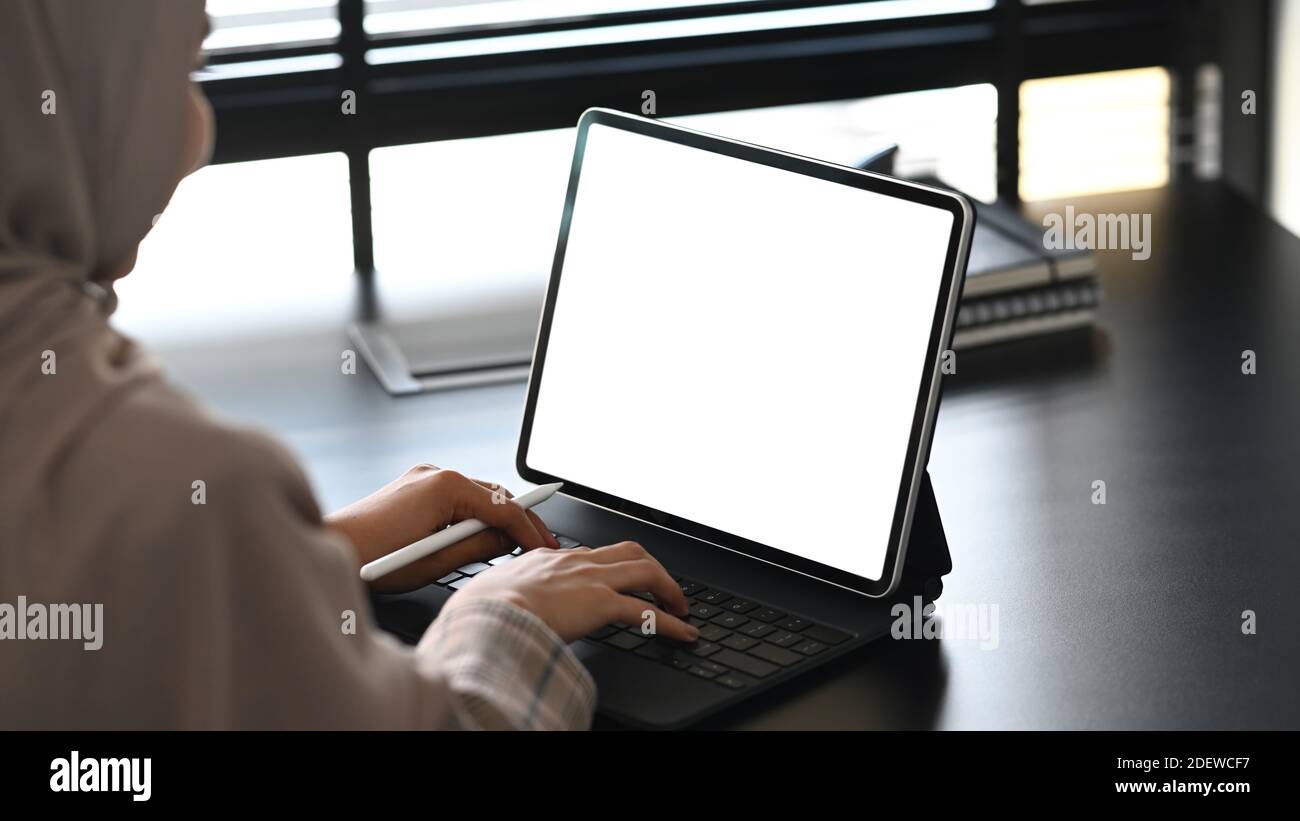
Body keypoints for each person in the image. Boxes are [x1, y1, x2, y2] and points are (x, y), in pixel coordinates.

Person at [0, 0, 697, 730]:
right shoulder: (167, 486)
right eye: (181, 72)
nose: (196, 138)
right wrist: (503, 610)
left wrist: (302, 556)